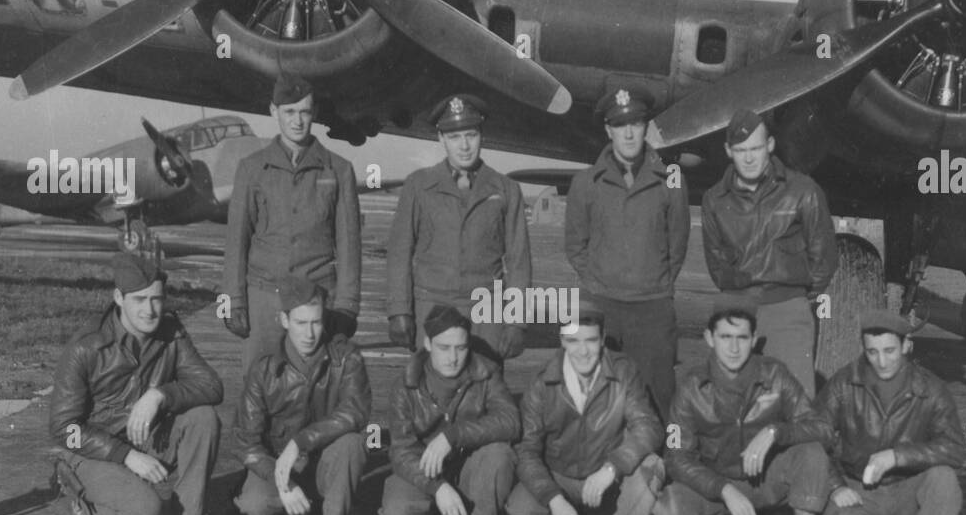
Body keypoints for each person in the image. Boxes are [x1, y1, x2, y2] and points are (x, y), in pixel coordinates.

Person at [654, 294, 834, 515]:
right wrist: (722, 489)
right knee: (665, 509)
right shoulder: (691, 386)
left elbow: (822, 428)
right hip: (717, 487)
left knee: (811, 451)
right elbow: (676, 456)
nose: (734, 347)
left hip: (767, 484)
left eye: (742, 337)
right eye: (725, 337)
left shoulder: (775, 374)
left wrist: (776, 431)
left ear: (753, 340)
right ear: (709, 338)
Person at [50, 253, 223, 515]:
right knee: (144, 513)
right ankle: (88, 510)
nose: (150, 310)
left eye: (156, 299)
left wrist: (159, 395)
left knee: (202, 417)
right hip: (93, 452)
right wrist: (125, 455)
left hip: (145, 438)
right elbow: (65, 428)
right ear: (119, 297)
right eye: (140, 300)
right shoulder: (86, 347)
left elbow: (211, 386)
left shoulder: (171, 333)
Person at [813, 311, 965, 515]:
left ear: (907, 345)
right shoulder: (844, 384)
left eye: (890, 351)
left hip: (910, 490)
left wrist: (896, 456)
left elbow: (955, 448)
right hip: (860, 489)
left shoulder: (930, 388)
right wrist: (836, 486)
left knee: (944, 478)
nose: (882, 361)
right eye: (872, 352)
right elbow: (814, 439)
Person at [507, 305, 664, 515]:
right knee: (520, 508)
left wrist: (612, 468)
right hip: (562, 478)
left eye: (590, 341)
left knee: (653, 467)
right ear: (562, 342)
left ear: (602, 340)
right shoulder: (543, 384)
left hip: (607, 480)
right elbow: (526, 451)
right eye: (574, 341)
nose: (583, 351)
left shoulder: (624, 372)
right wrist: (554, 500)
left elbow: (648, 427)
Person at [564, 84, 689, 416]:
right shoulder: (585, 183)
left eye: (636, 123)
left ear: (646, 126)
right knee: (596, 394)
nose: (629, 134)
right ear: (609, 130)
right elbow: (575, 246)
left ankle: (659, 465)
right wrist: (601, 282)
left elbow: (677, 243)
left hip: (652, 307)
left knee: (658, 394)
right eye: (620, 125)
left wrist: (654, 282)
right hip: (602, 303)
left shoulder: (671, 179)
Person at [223, 75, 362, 374]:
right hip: (264, 300)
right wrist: (232, 301)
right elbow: (236, 240)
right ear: (274, 111)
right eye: (289, 112)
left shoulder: (339, 170)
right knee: (257, 389)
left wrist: (347, 305)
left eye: (304, 112)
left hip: (318, 300)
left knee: (316, 388)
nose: (297, 121)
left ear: (314, 113)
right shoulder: (251, 168)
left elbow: (349, 245)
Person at [232, 276, 371, 515]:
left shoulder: (346, 357)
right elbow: (246, 442)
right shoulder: (265, 368)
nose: (309, 333)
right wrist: (280, 480)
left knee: (352, 443)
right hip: (284, 469)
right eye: (300, 323)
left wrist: (301, 442)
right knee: (253, 502)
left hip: (326, 467)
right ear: (284, 320)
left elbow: (356, 411)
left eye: (316, 323)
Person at [701, 108, 838, 396]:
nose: (749, 158)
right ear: (728, 151)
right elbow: (716, 264)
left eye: (756, 148)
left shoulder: (803, 191)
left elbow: (824, 257)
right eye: (740, 150)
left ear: (771, 146)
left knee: (796, 404)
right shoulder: (714, 200)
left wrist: (796, 299)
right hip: (737, 310)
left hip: (787, 312)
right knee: (733, 405)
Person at [387, 94, 532, 362]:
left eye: (471, 135)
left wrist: (516, 321)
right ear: (441, 139)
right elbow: (399, 252)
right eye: (454, 137)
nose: (464, 146)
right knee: (431, 391)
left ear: (481, 135)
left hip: (485, 312)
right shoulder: (418, 186)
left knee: (485, 390)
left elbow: (519, 260)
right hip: (431, 307)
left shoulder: (506, 189)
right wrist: (399, 311)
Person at [381, 304, 521, 515]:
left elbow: (511, 421)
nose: (453, 357)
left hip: (471, 472)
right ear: (427, 344)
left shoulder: (486, 373)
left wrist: (453, 435)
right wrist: (437, 487)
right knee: (398, 507)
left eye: (460, 348)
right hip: (427, 475)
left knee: (499, 453)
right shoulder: (405, 384)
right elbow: (400, 452)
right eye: (444, 348)